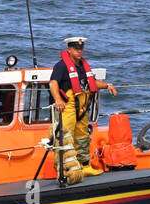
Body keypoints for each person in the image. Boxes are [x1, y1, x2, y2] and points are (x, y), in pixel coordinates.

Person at [49, 36, 117, 183]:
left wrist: (107, 85)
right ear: (69, 49)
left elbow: (91, 82)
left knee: (83, 138)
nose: (79, 51)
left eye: (81, 49)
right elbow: (53, 83)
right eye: (76, 49)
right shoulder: (61, 66)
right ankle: (64, 171)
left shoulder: (82, 66)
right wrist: (58, 99)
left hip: (82, 108)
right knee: (65, 138)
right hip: (67, 108)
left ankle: (84, 166)